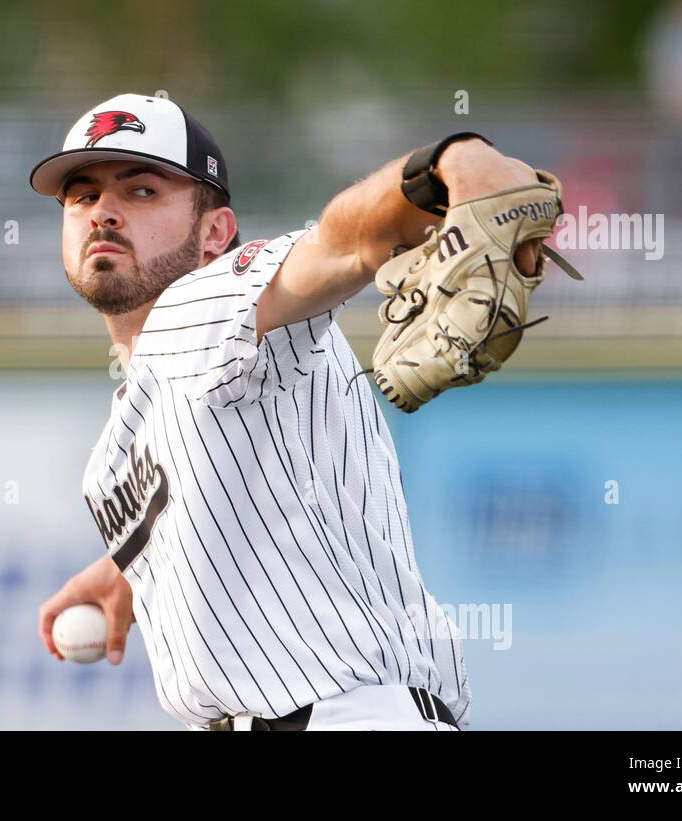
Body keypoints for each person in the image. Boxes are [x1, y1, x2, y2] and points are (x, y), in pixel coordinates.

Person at [31, 93, 543, 731]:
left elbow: (343, 244)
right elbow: (226, 495)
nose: (103, 211)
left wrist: (443, 162)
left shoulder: (209, 302)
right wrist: (129, 572)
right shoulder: (114, 451)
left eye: (141, 192)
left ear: (215, 233)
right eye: (81, 196)